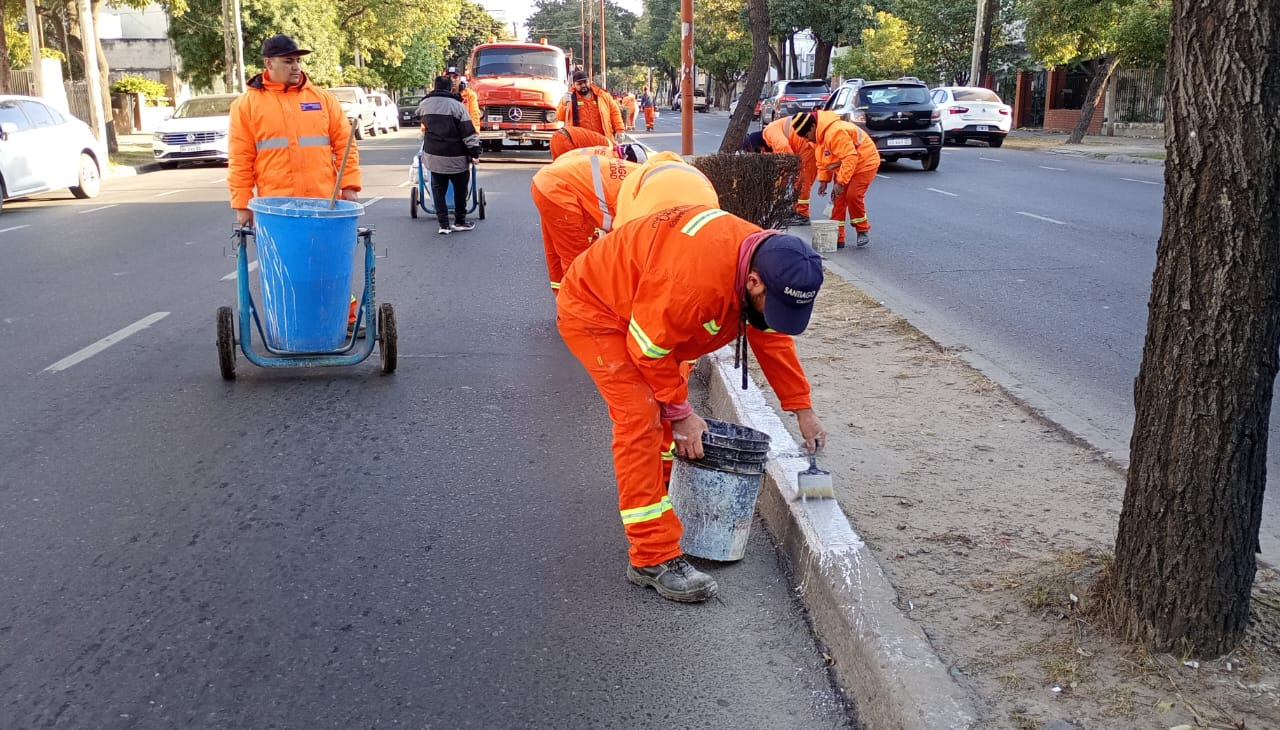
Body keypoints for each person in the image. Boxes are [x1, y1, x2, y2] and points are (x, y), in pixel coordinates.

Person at [557, 204, 828, 603]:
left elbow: (767, 333)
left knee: (668, 402)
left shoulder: (768, 258)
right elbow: (648, 351)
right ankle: (651, 556)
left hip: (650, 317)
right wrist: (681, 414)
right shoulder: (694, 284)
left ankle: (659, 488)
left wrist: (802, 408)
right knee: (642, 416)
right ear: (753, 282)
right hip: (598, 312)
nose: (775, 316)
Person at [228, 34, 363, 330]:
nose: (296, 67)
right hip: (278, 208)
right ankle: (293, 325)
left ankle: (346, 319)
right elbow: (240, 158)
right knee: (289, 270)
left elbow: (345, 146)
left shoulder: (321, 99)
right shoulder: (247, 106)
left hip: (324, 201)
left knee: (329, 266)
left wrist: (349, 186)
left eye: (298, 60)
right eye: (288, 61)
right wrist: (242, 205)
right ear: (268, 63)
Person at [530, 152, 640, 294]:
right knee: (578, 261)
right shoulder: (646, 196)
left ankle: (564, 298)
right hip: (558, 190)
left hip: (551, 181)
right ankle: (577, 307)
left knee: (560, 251)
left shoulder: (639, 174)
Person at [793, 110, 880, 248]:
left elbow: (850, 157)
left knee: (852, 195)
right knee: (838, 200)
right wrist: (824, 181)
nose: (806, 140)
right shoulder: (817, 138)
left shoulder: (834, 132)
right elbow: (823, 161)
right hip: (845, 166)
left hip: (865, 163)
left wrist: (840, 182)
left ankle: (862, 229)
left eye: (806, 135)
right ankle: (837, 237)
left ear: (812, 127)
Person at [416, 75, 481, 235]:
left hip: (433, 157)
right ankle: (459, 221)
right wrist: (475, 152)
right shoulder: (457, 106)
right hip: (456, 158)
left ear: (434, 87)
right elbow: (468, 133)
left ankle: (443, 225)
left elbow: (420, 117)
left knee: (438, 190)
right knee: (460, 190)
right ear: (450, 88)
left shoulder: (424, 104)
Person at [743, 113, 819, 226]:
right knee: (800, 180)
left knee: (802, 181)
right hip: (803, 144)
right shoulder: (767, 145)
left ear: (755, 145)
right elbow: (782, 169)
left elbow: (785, 151)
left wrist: (785, 175)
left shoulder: (769, 132)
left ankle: (802, 214)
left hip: (807, 145)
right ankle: (797, 211)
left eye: (753, 151)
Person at [612, 152, 718, 228]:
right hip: (702, 223)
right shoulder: (696, 173)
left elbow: (622, 227)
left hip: (655, 223)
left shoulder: (637, 175)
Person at [557, 70, 625, 142]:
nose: (583, 85)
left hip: (603, 139)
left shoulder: (602, 95)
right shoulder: (568, 99)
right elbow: (560, 117)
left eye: (585, 82)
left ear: (589, 81)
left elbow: (614, 112)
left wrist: (620, 130)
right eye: (579, 84)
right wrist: (564, 104)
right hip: (580, 142)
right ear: (574, 85)